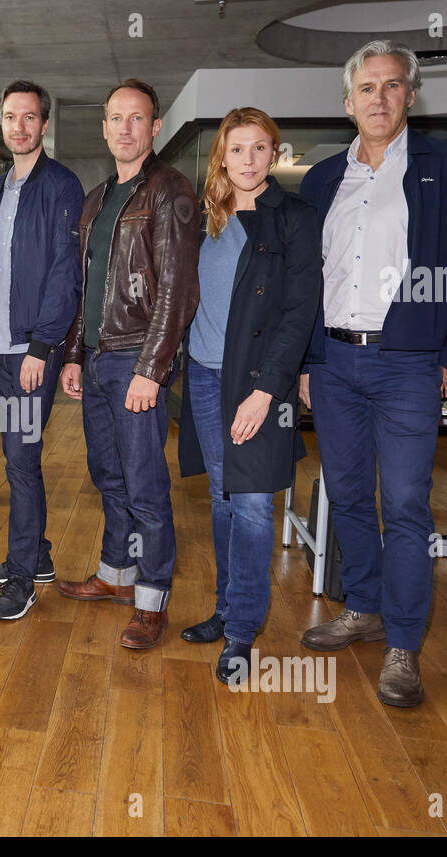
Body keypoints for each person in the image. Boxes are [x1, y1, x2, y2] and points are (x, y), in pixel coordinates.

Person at [298, 40, 447, 707]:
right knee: (350, 496)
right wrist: (305, 358)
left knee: (407, 506)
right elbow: (307, 278)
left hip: (408, 363)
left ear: (410, 95)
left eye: (392, 86)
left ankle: (403, 646)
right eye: (366, 88)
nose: (379, 98)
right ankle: (363, 607)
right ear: (348, 100)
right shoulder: (323, 177)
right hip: (333, 362)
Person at [175, 108, 321, 684]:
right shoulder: (203, 219)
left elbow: (299, 311)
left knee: (256, 502)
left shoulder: (294, 218)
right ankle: (225, 607)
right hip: (206, 378)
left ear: (275, 154)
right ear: (221, 157)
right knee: (222, 496)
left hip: (258, 383)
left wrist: (266, 390)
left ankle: (241, 630)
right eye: (237, 149)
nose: (249, 160)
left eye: (261, 148)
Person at [57, 79, 200, 650]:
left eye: (136, 118)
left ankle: (151, 598)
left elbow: (178, 292)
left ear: (154, 127)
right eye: (115, 118)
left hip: (135, 360)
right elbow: (82, 290)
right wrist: (72, 354)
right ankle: (116, 574)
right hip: (96, 361)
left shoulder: (169, 191)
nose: (124, 128)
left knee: (145, 485)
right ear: (105, 127)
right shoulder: (96, 200)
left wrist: (152, 368)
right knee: (107, 476)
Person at [0, 80, 85, 622]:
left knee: (19, 460)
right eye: (10, 117)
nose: (19, 126)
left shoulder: (63, 186)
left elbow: (66, 273)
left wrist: (45, 345)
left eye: (30, 117)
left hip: (29, 351)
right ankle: (36, 556)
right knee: (17, 457)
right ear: (2, 123)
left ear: (44, 124)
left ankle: (22, 580)